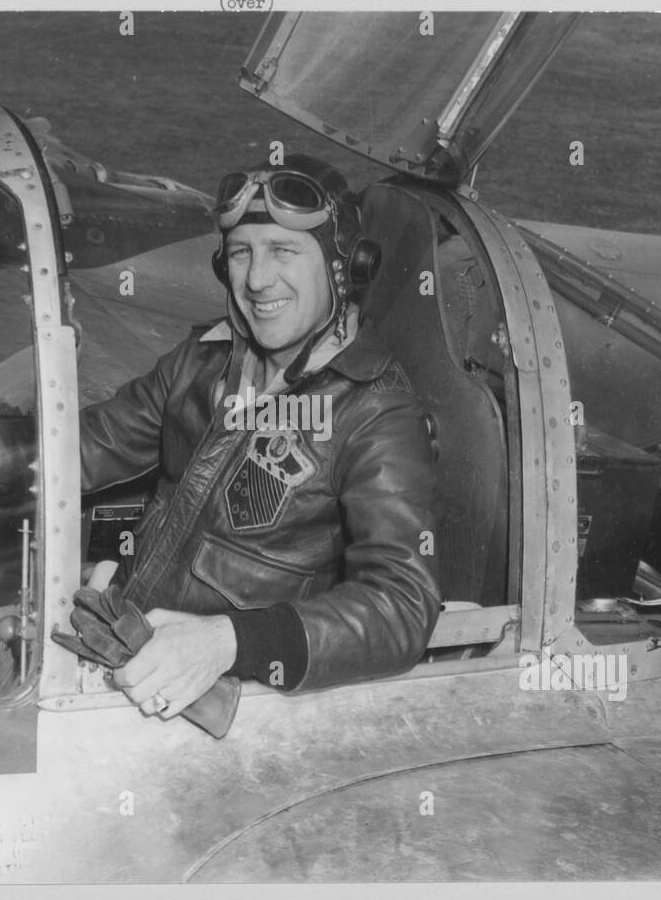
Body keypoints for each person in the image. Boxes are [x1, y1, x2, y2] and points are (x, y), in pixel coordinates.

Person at [78, 154, 441, 721]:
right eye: (241, 253)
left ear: (345, 268)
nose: (257, 279)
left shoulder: (376, 411)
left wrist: (229, 642)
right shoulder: (203, 363)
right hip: (122, 647)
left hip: (227, 702)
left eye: (284, 251)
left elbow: (402, 606)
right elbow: (84, 448)